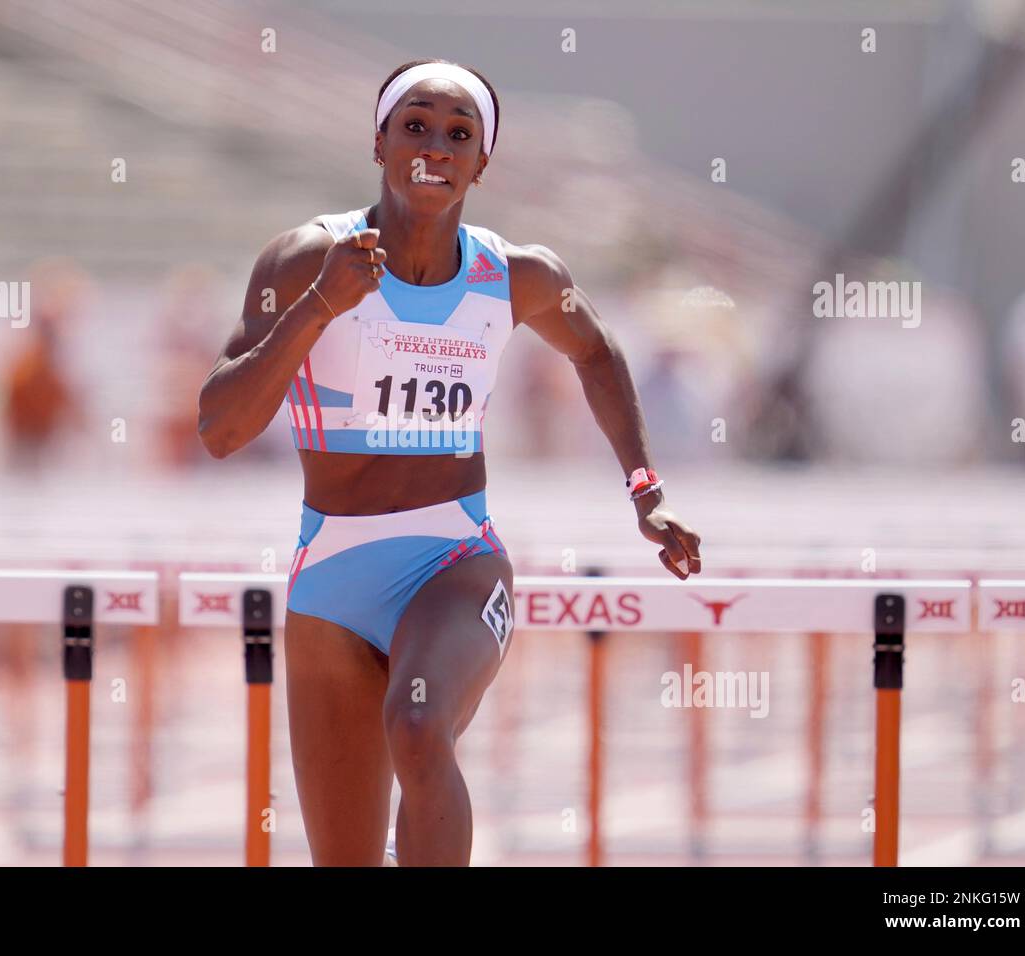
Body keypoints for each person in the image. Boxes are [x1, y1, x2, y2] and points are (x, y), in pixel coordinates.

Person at [197, 58, 702, 866]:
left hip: (455, 561)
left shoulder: (516, 276)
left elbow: (598, 352)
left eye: (459, 133)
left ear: (481, 163)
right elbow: (219, 429)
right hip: (330, 573)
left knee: (420, 724)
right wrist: (321, 305)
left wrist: (645, 490)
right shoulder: (303, 259)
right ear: (379, 143)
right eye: (417, 125)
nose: (436, 144)